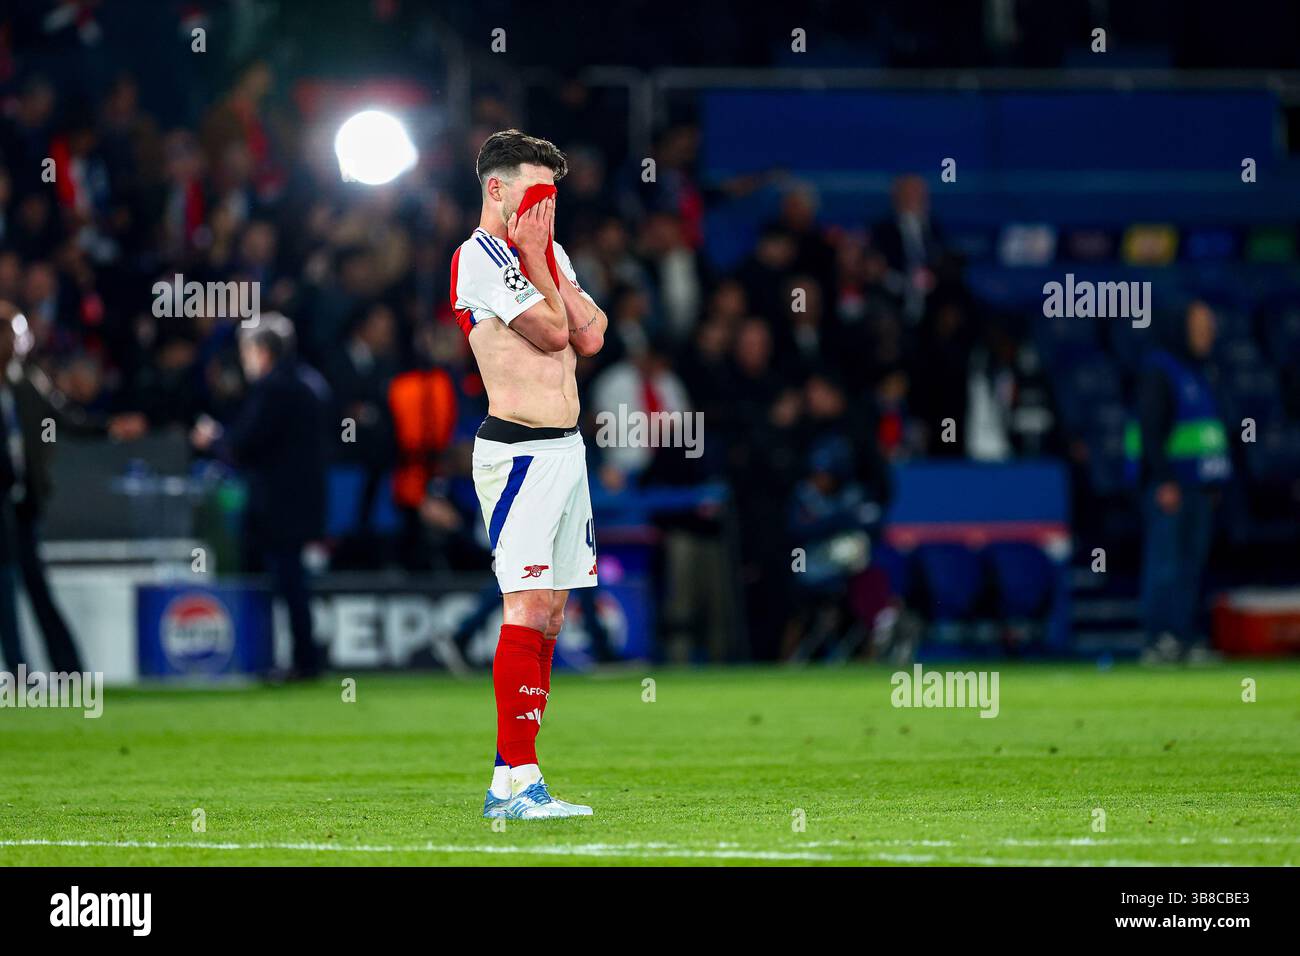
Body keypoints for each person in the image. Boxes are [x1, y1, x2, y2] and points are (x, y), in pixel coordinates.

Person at [449, 130, 607, 819]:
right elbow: (550, 332)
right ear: (497, 189)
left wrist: (546, 261)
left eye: (553, 195)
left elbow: (594, 333)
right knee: (527, 607)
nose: (547, 209)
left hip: (567, 451)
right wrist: (544, 264)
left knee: (552, 617)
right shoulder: (477, 257)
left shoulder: (549, 252)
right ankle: (522, 778)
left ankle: (509, 781)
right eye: (537, 193)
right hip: (517, 450)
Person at [0, 302, 145, 672]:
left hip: (22, 503)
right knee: (5, 588)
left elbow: (64, 420)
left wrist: (109, 428)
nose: (20, 343)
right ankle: (18, 669)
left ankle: (66, 669)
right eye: (13, 335)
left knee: (33, 587)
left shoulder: (26, 384)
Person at [191, 314, 329, 680]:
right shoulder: (310, 383)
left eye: (247, 350)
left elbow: (244, 445)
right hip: (302, 500)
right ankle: (302, 657)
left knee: (287, 582)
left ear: (262, 351)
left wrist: (213, 440)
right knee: (292, 580)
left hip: (277, 504)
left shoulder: (274, 388)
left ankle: (298, 661)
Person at [1130, 301, 1230, 663]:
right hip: (1170, 486)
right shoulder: (1161, 371)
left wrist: (1214, 480)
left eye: (1210, 326)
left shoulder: (1202, 371)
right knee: (1165, 564)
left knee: (1192, 565)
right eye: (1201, 326)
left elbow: (1207, 431)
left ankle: (1185, 636)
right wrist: (1164, 480)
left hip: (1200, 486)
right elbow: (1150, 431)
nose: (1209, 334)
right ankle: (1159, 638)